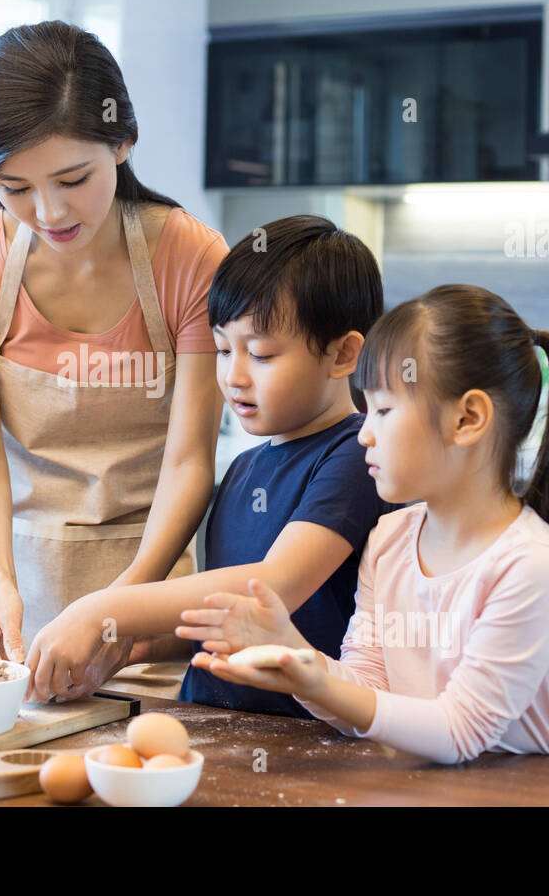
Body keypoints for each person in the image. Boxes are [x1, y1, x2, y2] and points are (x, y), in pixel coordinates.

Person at [0, 21, 228, 698]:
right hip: (8, 586)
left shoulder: (191, 258)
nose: (49, 210)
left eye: (72, 178)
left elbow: (189, 462)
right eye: (14, 188)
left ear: (122, 143)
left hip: (150, 600)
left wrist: (116, 609)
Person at [189, 285, 549, 763]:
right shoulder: (391, 540)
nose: (364, 432)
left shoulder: (532, 568)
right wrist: (296, 660)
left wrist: (318, 679)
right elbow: (367, 689)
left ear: (467, 418)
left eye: (384, 410)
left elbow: (459, 732)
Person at [29, 216, 399, 713]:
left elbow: (271, 588)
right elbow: (228, 621)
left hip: (305, 741)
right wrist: (133, 646)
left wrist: (100, 609)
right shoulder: (245, 468)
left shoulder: (358, 455)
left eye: (262, 355)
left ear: (343, 354)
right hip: (214, 727)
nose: (233, 376)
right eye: (223, 349)